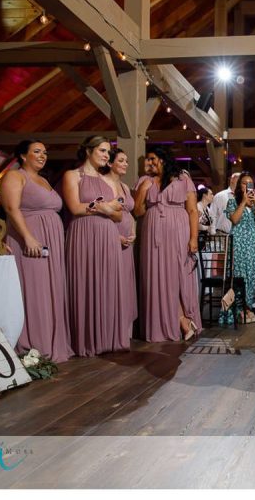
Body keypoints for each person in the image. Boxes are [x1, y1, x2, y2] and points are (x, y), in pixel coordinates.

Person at [0, 140, 73, 363]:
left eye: (45, 152)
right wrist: (28, 237)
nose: (43, 156)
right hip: (29, 241)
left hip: (51, 242)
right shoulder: (15, 176)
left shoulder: (44, 180)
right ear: (23, 156)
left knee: (50, 289)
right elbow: (11, 208)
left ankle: (51, 341)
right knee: (34, 290)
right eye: (37, 152)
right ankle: (32, 343)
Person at [62, 136, 129, 356]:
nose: (105, 155)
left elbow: (119, 216)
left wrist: (104, 208)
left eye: (108, 152)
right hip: (82, 233)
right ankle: (86, 340)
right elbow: (74, 208)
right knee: (84, 281)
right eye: (101, 150)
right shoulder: (72, 176)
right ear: (88, 151)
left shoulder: (109, 181)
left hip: (107, 235)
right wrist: (103, 207)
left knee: (108, 283)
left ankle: (108, 339)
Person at [134, 146, 201, 341]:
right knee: (157, 277)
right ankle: (176, 323)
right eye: (147, 160)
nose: (149, 163)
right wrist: (144, 190)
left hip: (179, 231)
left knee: (176, 275)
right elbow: (137, 211)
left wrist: (194, 237)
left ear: (163, 159)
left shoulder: (182, 179)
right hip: (153, 233)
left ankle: (184, 318)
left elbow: (193, 211)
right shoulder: (144, 181)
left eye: (153, 159)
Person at [219, 172, 255, 325]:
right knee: (238, 277)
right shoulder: (232, 202)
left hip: (252, 244)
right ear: (239, 186)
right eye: (244, 183)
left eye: (250, 183)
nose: (247, 186)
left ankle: (248, 307)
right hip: (238, 244)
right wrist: (243, 202)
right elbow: (234, 219)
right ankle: (238, 309)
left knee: (251, 276)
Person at [101, 147, 137, 328]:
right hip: (110, 239)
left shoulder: (124, 186)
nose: (125, 164)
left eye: (126, 161)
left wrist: (133, 232)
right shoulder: (103, 183)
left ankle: (124, 327)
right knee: (112, 283)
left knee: (125, 283)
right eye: (121, 161)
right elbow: (101, 215)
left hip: (127, 242)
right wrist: (116, 237)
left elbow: (130, 213)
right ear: (109, 163)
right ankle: (111, 325)